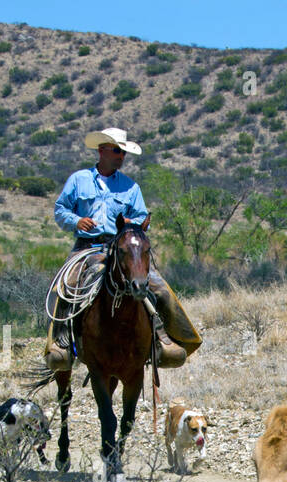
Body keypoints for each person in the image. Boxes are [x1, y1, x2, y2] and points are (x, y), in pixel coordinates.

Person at [45, 127, 201, 372]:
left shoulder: (131, 187)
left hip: (122, 249)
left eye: (123, 153)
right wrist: (76, 221)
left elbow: (141, 216)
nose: (121, 157)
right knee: (65, 286)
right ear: (102, 151)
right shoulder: (78, 180)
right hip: (87, 247)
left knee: (156, 285)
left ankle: (165, 338)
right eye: (117, 151)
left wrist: (133, 224)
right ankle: (60, 344)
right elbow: (60, 209)